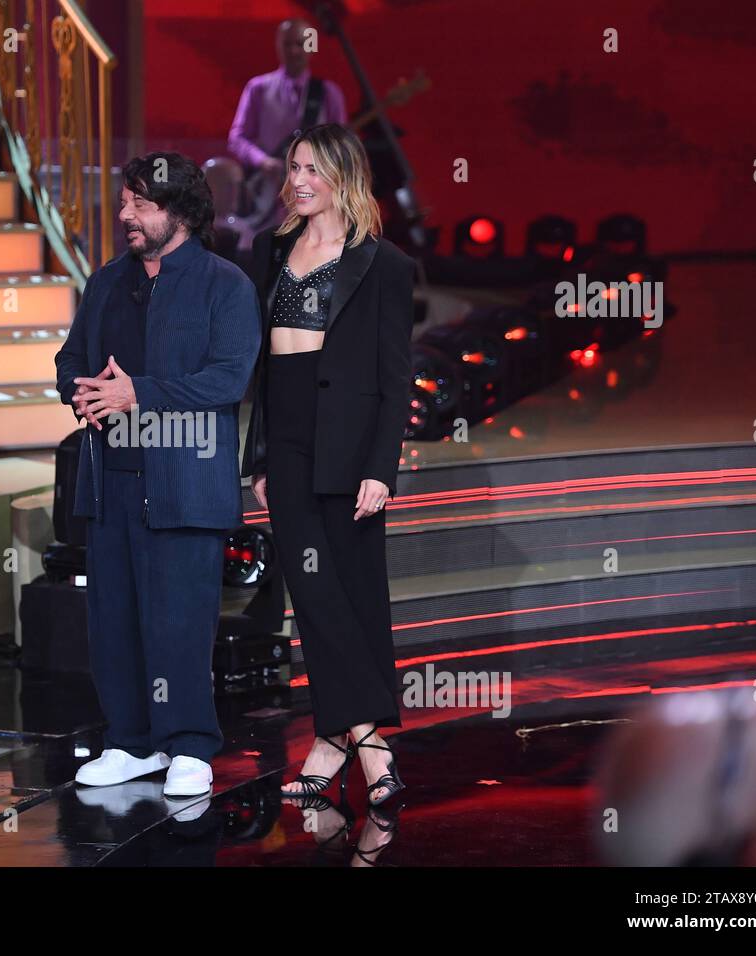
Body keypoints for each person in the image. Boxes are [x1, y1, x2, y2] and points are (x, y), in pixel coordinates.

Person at [54, 152, 261, 797]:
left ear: (181, 213)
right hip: (110, 476)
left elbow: (228, 378)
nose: (125, 215)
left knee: (179, 621)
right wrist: (81, 390)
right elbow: (70, 358)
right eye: (125, 201)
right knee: (113, 621)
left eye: (140, 204)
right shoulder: (108, 280)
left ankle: (189, 745)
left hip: (185, 478)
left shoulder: (225, 283)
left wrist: (136, 394)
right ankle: (131, 741)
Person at [241, 122, 416, 809]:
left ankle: (333, 739)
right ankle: (371, 742)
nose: (297, 181)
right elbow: (260, 365)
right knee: (312, 595)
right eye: (292, 169)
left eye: (311, 169)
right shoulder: (271, 248)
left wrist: (382, 467)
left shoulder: (383, 264)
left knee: (357, 595)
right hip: (285, 441)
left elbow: (395, 377)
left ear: (342, 175)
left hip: (350, 447)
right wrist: (257, 452)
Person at [228, 18, 348, 230]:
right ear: (278, 46)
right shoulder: (258, 88)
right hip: (268, 198)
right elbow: (237, 137)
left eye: (300, 44)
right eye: (287, 44)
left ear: (311, 46)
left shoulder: (329, 93)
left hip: (315, 195)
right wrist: (262, 161)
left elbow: (341, 147)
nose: (293, 51)